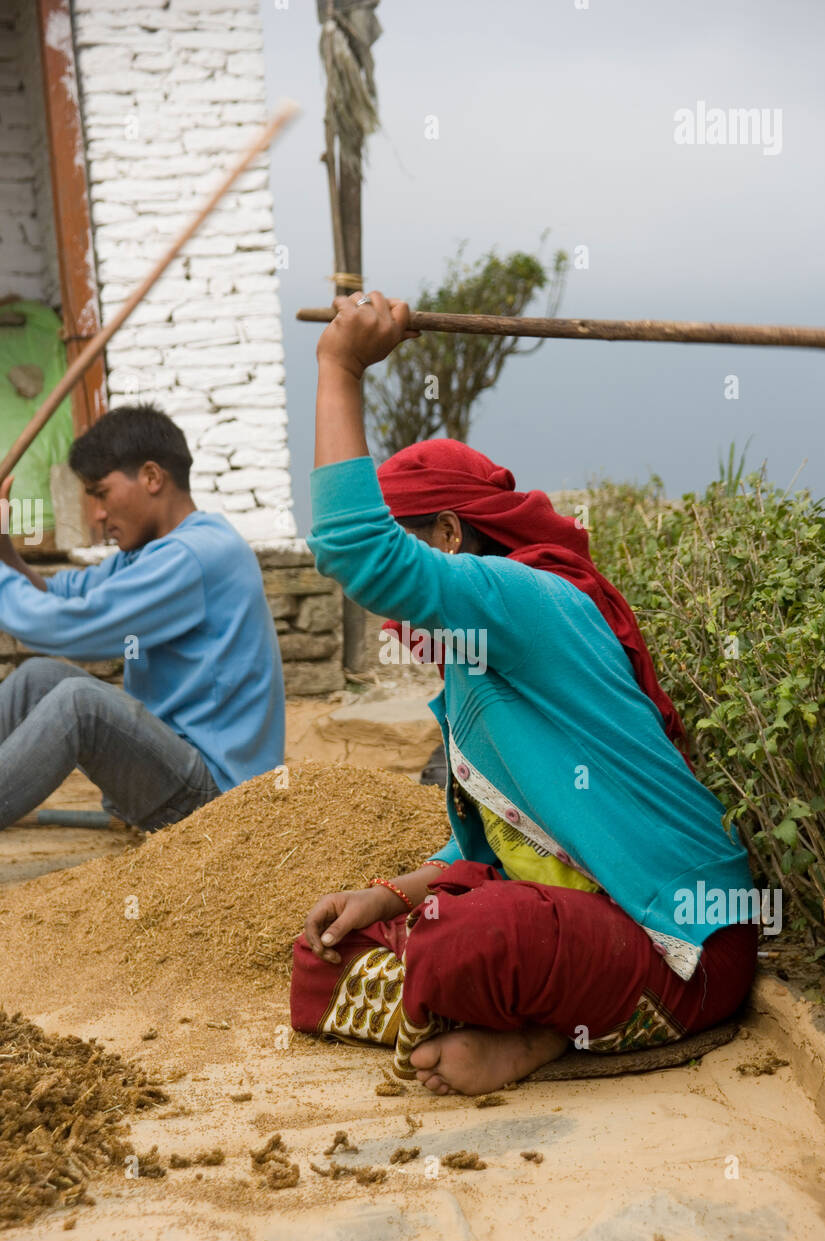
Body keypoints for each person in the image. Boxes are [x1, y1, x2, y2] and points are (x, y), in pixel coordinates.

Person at [291, 292, 758, 1096]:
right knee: (321, 954)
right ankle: (485, 1014)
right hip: (574, 923)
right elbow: (488, 849)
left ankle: (533, 1035)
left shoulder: (524, 599)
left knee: (472, 940)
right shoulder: (469, 665)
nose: (390, 610)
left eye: (412, 546)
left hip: (681, 943)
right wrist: (383, 896)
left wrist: (338, 366)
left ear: (447, 537)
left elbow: (352, 548)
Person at [0, 404, 285, 831]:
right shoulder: (150, 553)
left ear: (152, 477)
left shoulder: (197, 556)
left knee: (80, 705)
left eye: (100, 493)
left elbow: (66, 624)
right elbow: (59, 594)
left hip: (217, 801)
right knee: (38, 677)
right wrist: (4, 545)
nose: (96, 514)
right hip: (177, 774)